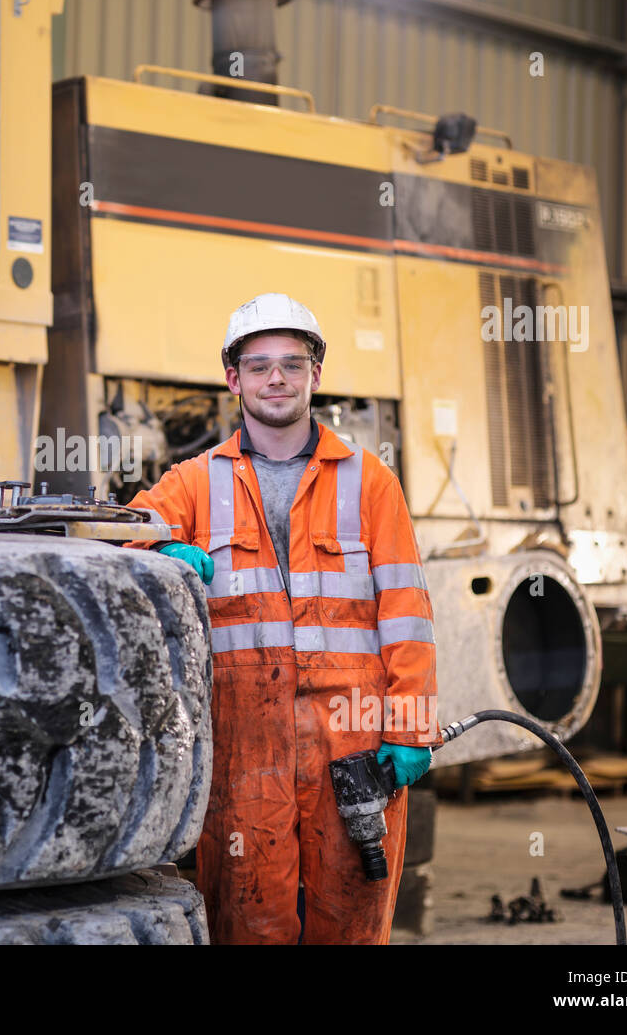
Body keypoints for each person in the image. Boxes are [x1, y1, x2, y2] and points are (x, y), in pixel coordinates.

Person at [124, 292, 438, 944]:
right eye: (260, 365)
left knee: (352, 918)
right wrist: (161, 549)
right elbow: (118, 538)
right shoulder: (195, 481)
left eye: (292, 365)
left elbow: (406, 611)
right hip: (246, 749)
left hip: (351, 746)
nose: (276, 378)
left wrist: (410, 728)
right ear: (233, 378)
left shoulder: (370, 482)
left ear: (315, 376)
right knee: (246, 919)